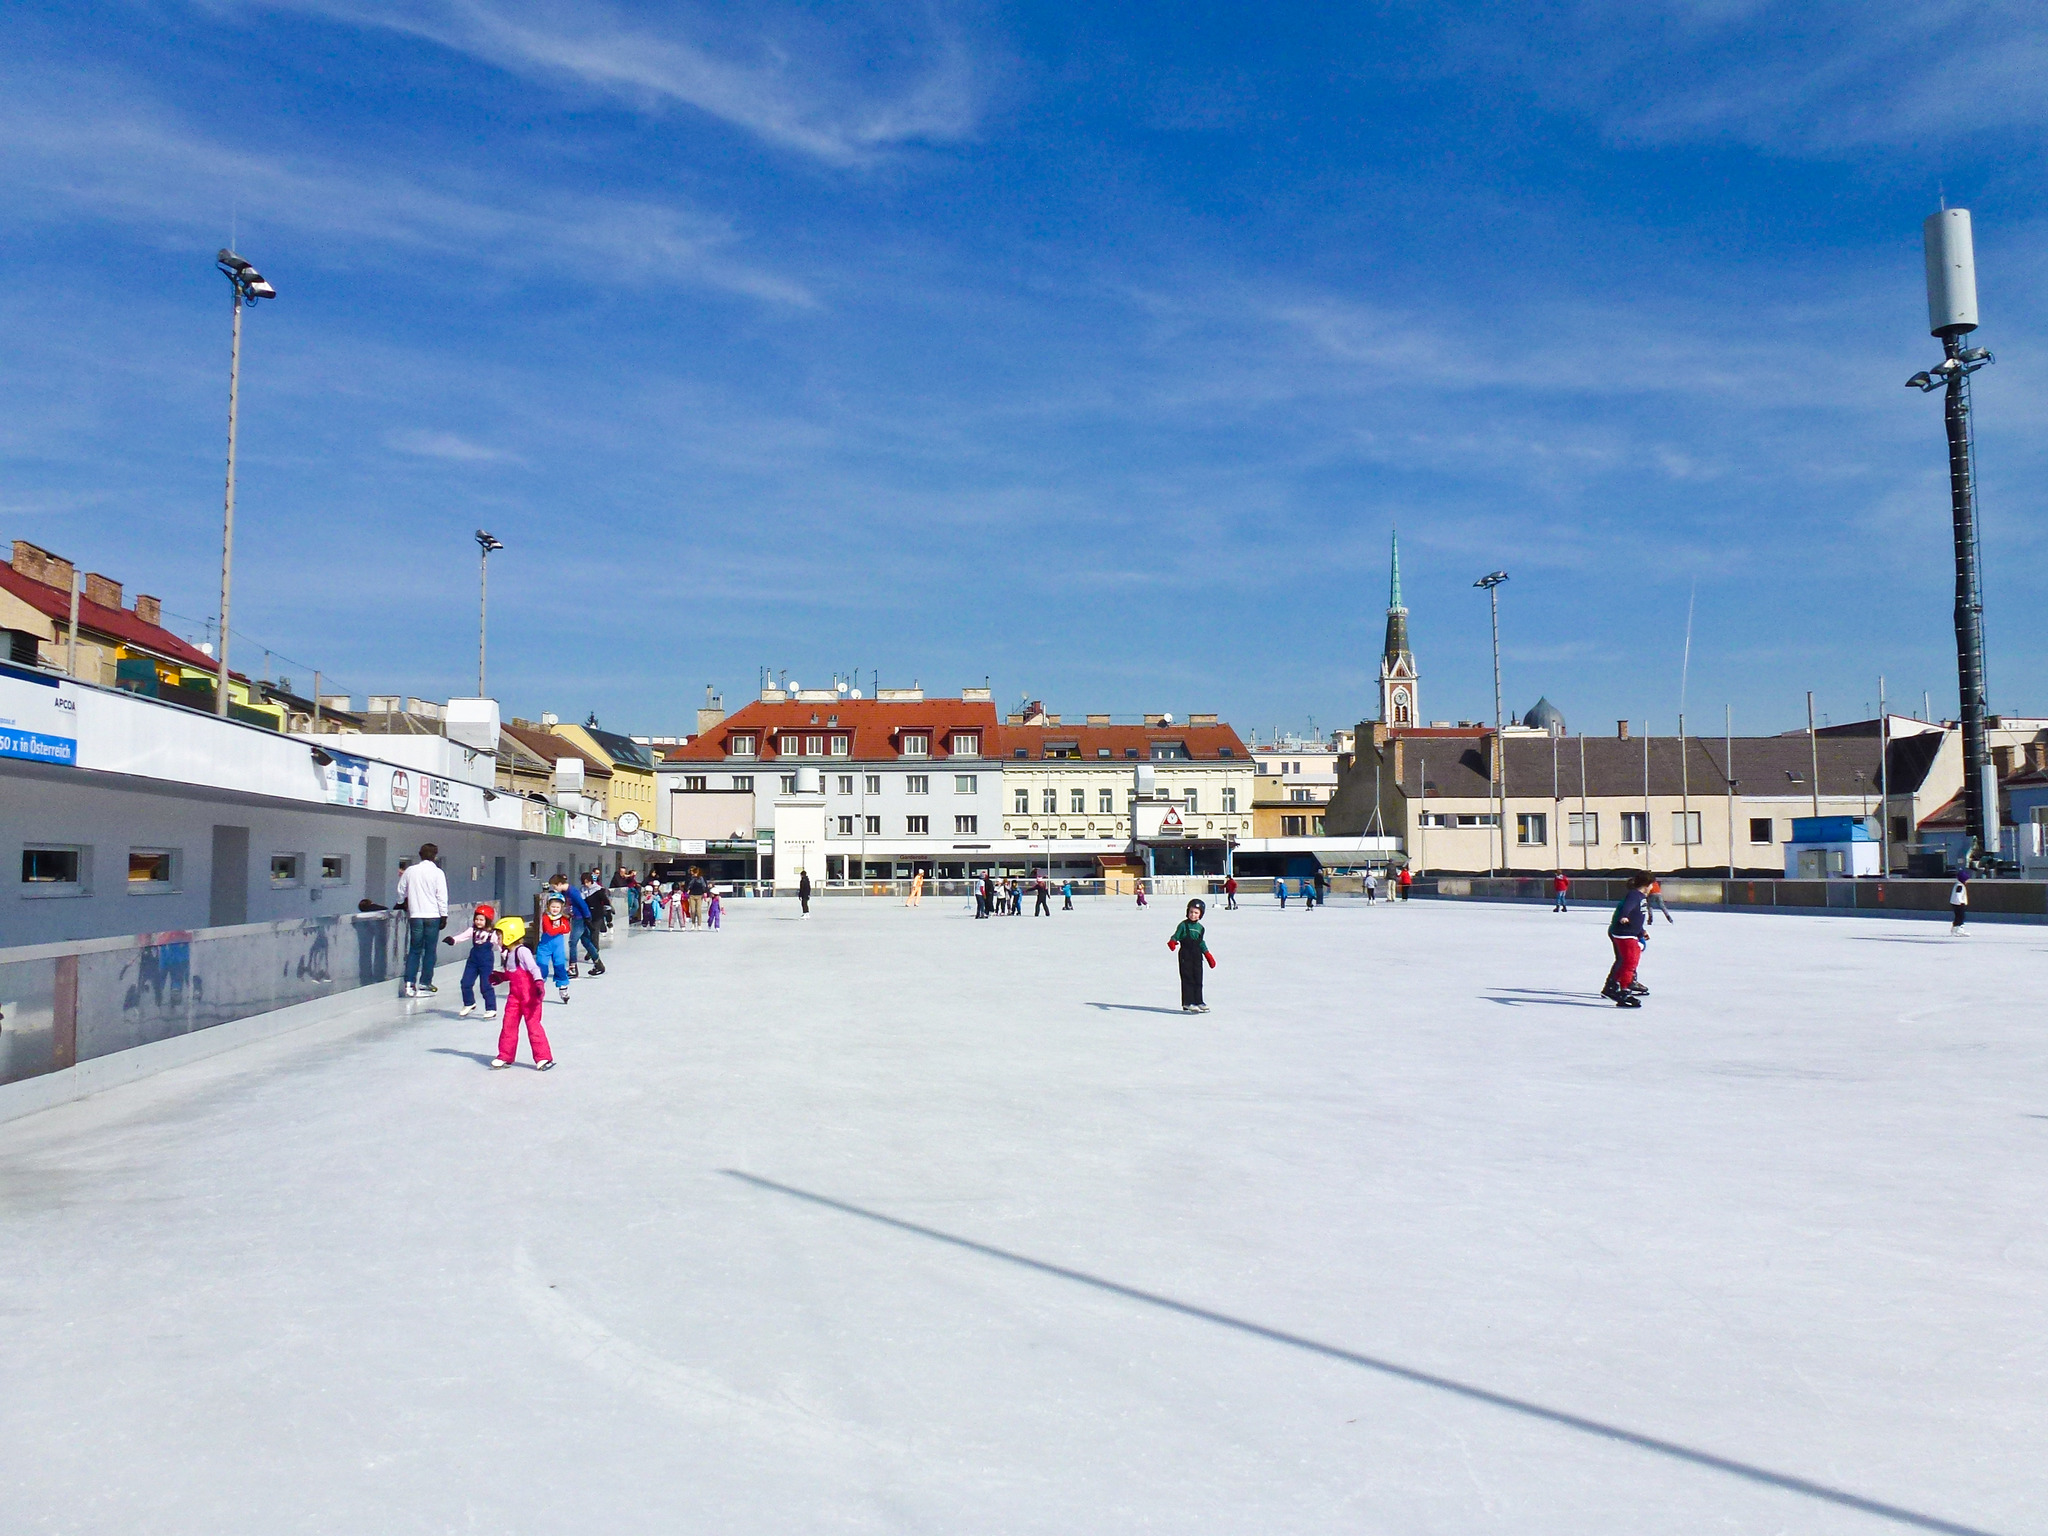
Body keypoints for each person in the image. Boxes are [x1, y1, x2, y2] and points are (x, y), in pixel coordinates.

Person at [489, 917, 554, 1071]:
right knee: (508, 1025)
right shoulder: (508, 953)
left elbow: (533, 968)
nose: (497, 939)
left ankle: (544, 1057)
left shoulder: (522, 951)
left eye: (499, 935)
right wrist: (500, 977)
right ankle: (505, 1055)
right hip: (515, 997)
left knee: (533, 1025)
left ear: (510, 935)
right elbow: (512, 973)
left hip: (530, 996)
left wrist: (539, 983)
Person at [395, 843, 449, 998]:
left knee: (415, 949)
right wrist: (443, 915)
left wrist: (401, 902)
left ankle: (409, 984)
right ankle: (425, 982)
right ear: (435, 856)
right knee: (430, 950)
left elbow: (401, 890)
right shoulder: (438, 873)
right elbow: (441, 896)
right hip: (433, 915)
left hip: (416, 915)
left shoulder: (411, 871)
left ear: (420, 854)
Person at [1602, 872, 1653, 1008]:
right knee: (1628, 962)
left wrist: (1642, 931)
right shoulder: (1634, 895)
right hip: (1625, 933)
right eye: (1652, 885)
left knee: (1627, 961)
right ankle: (1623, 990)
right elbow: (1627, 908)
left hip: (1631, 933)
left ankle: (1616, 986)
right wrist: (1624, 916)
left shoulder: (1641, 897)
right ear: (1647, 885)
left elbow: (1637, 916)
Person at [444, 903, 501, 1018]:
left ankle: (491, 1008)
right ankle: (469, 1003)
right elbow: (462, 937)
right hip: (473, 961)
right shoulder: (472, 931)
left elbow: (501, 947)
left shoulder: (493, 934)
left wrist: (509, 958)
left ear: (488, 920)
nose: (478, 922)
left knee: (486, 985)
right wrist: (452, 940)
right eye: (476, 919)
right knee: (465, 982)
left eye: (481, 920)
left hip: (486, 962)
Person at [1167, 899, 1216, 1013]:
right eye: (1191, 912)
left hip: (1197, 955)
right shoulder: (1183, 925)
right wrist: (1172, 942)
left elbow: (1201, 942)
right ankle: (1188, 1002)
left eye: (1196, 913)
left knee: (1198, 978)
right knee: (1187, 978)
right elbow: (1176, 935)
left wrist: (1208, 954)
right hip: (1186, 955)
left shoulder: (1200, 928)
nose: (1193, 915)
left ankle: (1199, 1001)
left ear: (1200, 914)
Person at [536, 892, 573, 1003]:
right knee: (541, 967)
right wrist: (561, 927)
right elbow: (550, 931)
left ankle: (563, 989)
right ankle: (538, 989)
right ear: (548, 906)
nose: (555, 909)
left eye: (557, 907)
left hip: (558, 947)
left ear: (561, 907)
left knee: (559, 966)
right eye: (553, 906)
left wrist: (562, 928)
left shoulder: (563, 918)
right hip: (545, 947)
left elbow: (567, 929)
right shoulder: (546, 917)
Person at [573, 873, 607, 975]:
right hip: (587, 916)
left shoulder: (598, 890)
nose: (586, 885)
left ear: (591, 881)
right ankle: (592, 951)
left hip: (597, 915)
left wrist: (608, 912)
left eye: (587, 882)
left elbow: (605, 901)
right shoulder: (582, 890)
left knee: (594, 934)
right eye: (584, 883)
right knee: (587, 936)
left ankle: (594, 954)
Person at [1949, 870, 1969, 935]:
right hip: (1958, 904)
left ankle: (1955, 928)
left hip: (1956, 903)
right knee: (1961, 916)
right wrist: (1960, 902)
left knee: (1958, 916)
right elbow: (1958, 894)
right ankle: (1959, 929)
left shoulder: (1958, 885)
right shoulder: (1960, 886)